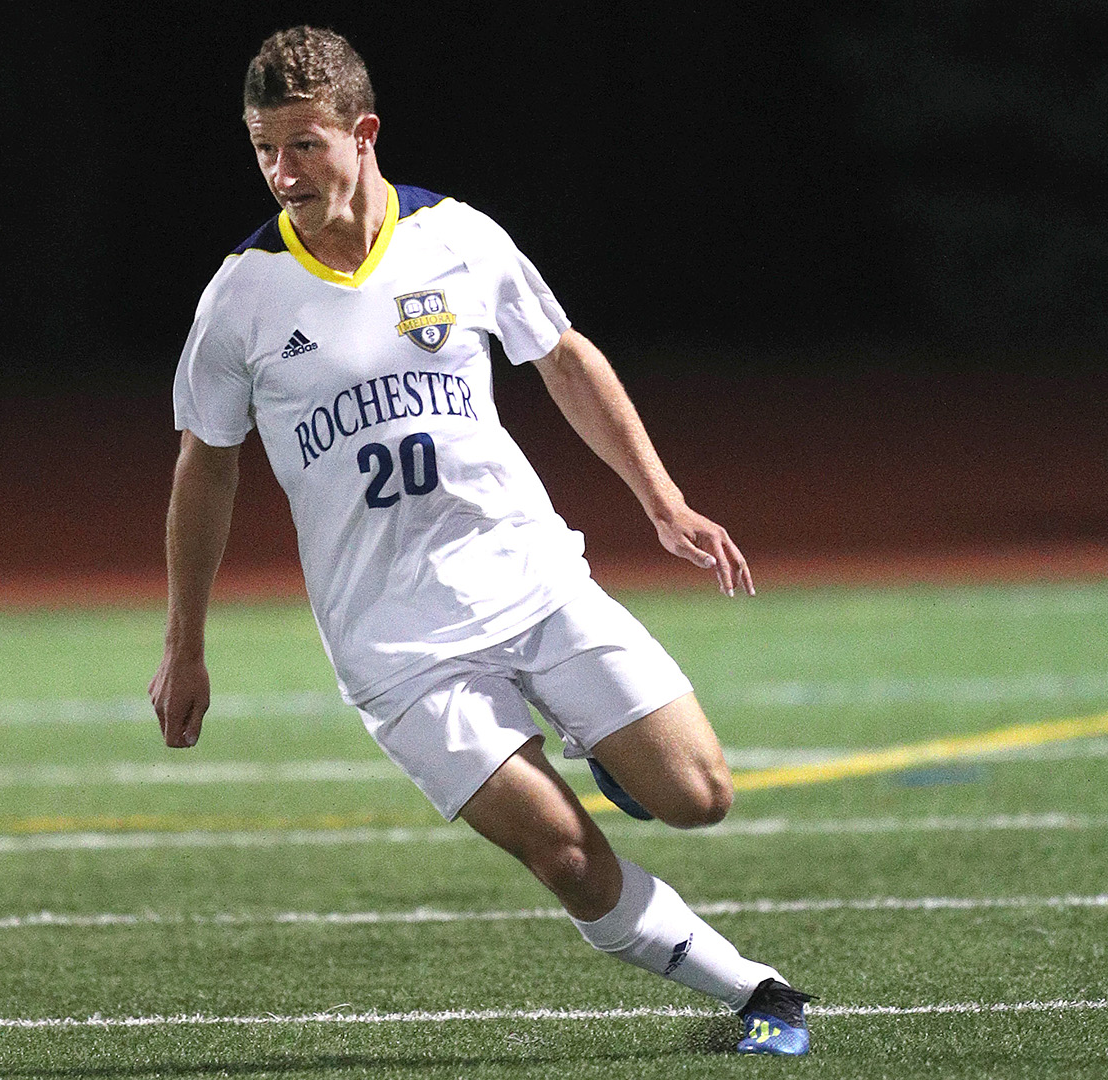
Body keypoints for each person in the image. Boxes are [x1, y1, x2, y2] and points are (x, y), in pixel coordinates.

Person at [149, 25, 813, 1056]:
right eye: (263, 148)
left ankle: (606, 749)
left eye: (305, 145)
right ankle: (759, 993)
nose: (283, 172)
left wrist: (662, 500)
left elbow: (562, 357)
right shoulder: (240, 299)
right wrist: (183, 642)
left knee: (701, 797)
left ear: (361, 133)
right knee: (564, 856)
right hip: (397, 648)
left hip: (532, 579)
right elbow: (208, 464)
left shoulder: (459, 237)